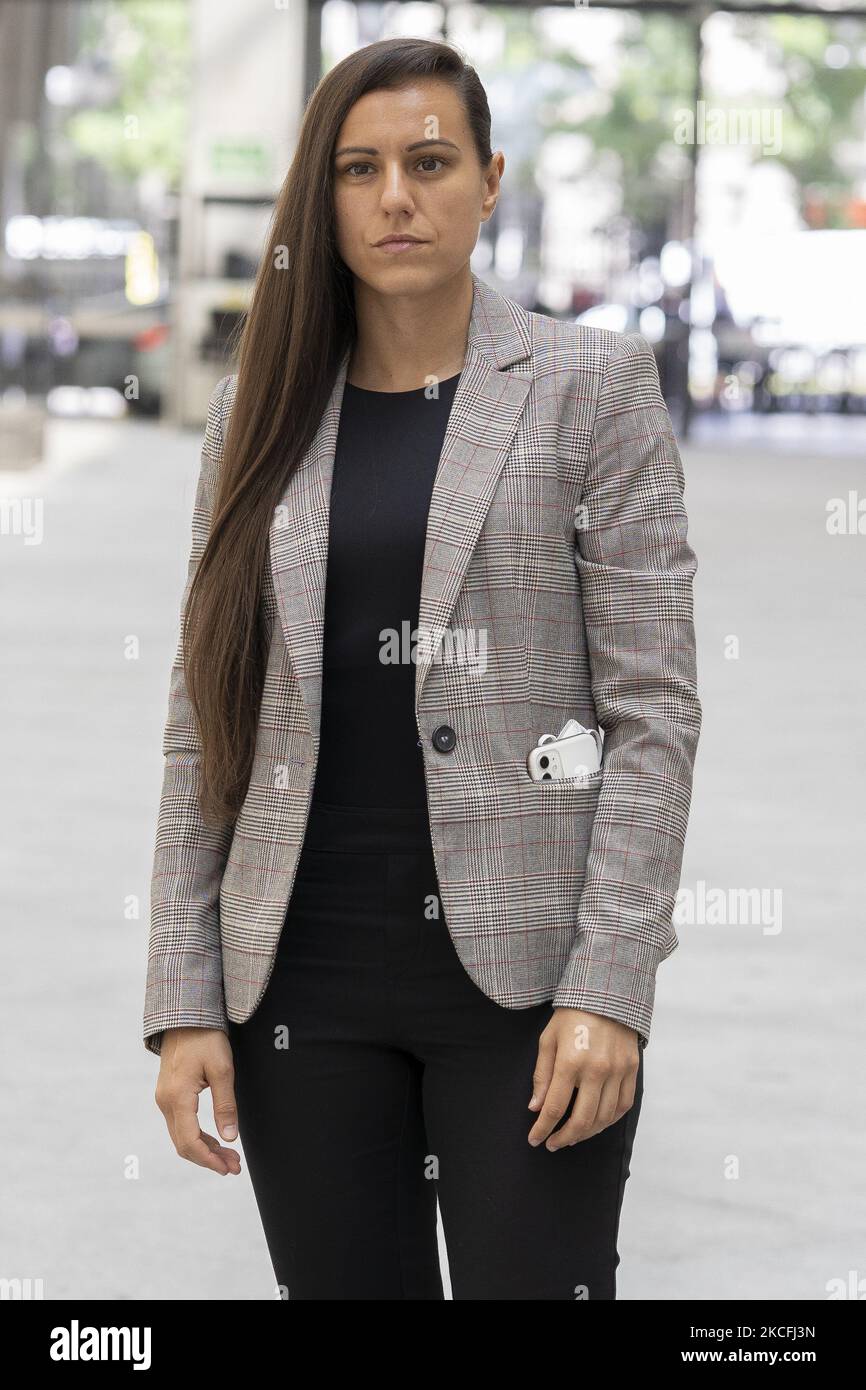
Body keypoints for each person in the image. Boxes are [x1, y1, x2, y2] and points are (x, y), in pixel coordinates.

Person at [143, 36, 701, 1301]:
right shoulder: (258, 412)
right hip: (300, 985)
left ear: (489, 181)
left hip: (524, 992)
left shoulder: (588, 388)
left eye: (429, 162)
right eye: (359, 168)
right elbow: (202, 719)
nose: (396, 195)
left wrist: (611, 988)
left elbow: (651, 713)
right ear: (321, 198)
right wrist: (185, 999)